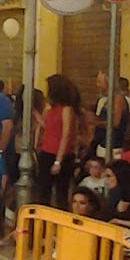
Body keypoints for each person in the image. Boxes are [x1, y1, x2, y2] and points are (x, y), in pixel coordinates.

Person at [36, 74, 79, 209]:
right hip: (46, 152)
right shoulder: (50, 109)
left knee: (61, 193)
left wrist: (58, 161)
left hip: (61, 155)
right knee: (43, 191)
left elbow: (66, 135)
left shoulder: (67, 110)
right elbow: (48, 126)